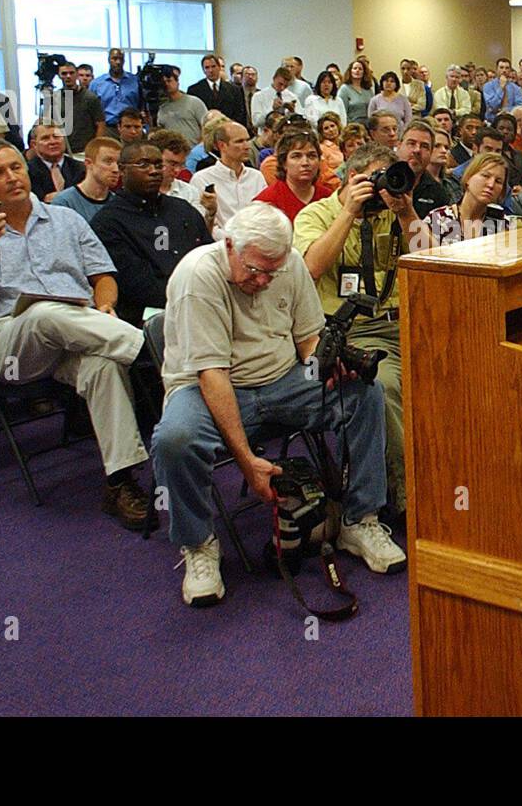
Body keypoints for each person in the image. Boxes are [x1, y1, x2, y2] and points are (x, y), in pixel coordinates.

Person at [152, 203, 405, 605]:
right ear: (229, 245)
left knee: (364, 394)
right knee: (175, 439)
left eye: (273, 270)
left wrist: (329, 363)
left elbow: (306, 338)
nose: (265, 280)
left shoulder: (287, 266)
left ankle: (360, 518)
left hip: (282, 377)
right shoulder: (199, 275)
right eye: (255, 270)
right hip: (211, 384)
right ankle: (198, 543)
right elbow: (212, 374)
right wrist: (247, 462)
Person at [0, 138, 153, 530]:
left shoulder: (65, 219)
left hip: (77, 332)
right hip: (4, 344)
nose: (12, 178)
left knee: (103, 365)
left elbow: (102, 276)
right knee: (45, 311)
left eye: (16, 167)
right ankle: (150, 351)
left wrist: (104, 306)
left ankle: (120, 482)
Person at [294, 143, 425, 518]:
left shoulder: (394, 213)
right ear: (355, 178)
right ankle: (406, 494)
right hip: (347, 332)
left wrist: (407, 212)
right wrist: (350, 212)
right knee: (384, 385)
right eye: (380, 178)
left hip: (400, 323)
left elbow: (434, 262)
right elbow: (310, 270)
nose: (387, 188)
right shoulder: (316, 215)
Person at [90, 140, 213, 326]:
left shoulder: (182, 209)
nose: (154, 171)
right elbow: (136, 284)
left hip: (202, 301)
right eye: (143, 165)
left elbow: (208, 255)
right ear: (122, 170)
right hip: (146, 315)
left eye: (158, 165)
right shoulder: (108, 222)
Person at [189, 121, 266, 238]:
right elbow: (201, 226)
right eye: (239, 141)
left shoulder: (257, 177)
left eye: (247, 140)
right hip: (221, 246)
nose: (247, 146)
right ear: (222, 146)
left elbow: (265, 215)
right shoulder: (202, 179)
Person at [425, 153, 519, 247]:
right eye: (485, 176)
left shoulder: (504, 225)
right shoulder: (437, 219)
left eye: (498, 181)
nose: (491, 185)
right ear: (468, 178)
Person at [253, 129, 333, 222]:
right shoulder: (266, 202)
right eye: (296, 156)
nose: (305, 162)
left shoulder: (328, 197)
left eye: (311, 156)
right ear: (284, 163)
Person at [50, 136, 121, 223]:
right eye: (108, 162)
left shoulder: (118, 204)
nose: (116, 169)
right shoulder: (64, 202)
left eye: (119, 163)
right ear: (88, 163)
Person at [45, 62, 106, 155]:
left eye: (71, 73)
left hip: (84, 151)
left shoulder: (90, 97)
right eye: (64, 74)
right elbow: (47, 126)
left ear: (77, 75)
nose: (68, 76)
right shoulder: (54, 98)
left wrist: (95, 148)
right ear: (59, 76)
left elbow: (100, 124)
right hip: (62, 151)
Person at [398, 119, 452, 219]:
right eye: (411, 143)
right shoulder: (382, 180)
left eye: (424, 146)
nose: (417, 150)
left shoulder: (439, 194)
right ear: (399, 146)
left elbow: (438, 233)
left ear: (431, 153)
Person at [187, 53, 248, 128]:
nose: (211, 70)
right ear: (203, 70)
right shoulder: (194, 90)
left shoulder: (234, 89)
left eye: (213, 66)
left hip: (229, 130)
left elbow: (240, 114)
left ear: (219, 67)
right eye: (207, 67)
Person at [25, 124, 84, 202]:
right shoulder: (27, 172)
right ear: (34, 144)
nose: (53, 142)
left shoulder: (81, 168)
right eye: (45, 138)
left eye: (56, 137)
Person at [154, 66, 207, 146]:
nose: (167, 84)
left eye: (169, 81)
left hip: (194, 151)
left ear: (177, 82)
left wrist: (200, 148)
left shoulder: (194, 102)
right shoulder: (162, 109)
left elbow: (206, 127)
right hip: (173, 153)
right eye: (164, 82)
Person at [91, 48, 141, 127]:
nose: (118, 62)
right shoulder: (97, 84)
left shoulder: (135, 81)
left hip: (130, 127)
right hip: (107, 127)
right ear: (109, 60)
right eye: (114, 58)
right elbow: (92, 109)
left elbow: (141, 105)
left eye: (121, 59)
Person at [490, 113, 522, 191]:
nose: (505, 132)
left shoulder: (519, 154)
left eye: (509, 129)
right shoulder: (492, 154)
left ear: (514, 133)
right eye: (501, 128)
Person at [338, 60, 374, 125]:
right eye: (355, 68)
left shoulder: (368, 90)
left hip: (367, 126)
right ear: (350, 71)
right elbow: (342, 111)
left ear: (364, 72)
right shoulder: (344, 89)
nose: (357, 71)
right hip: (351, 126)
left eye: (360, 69)